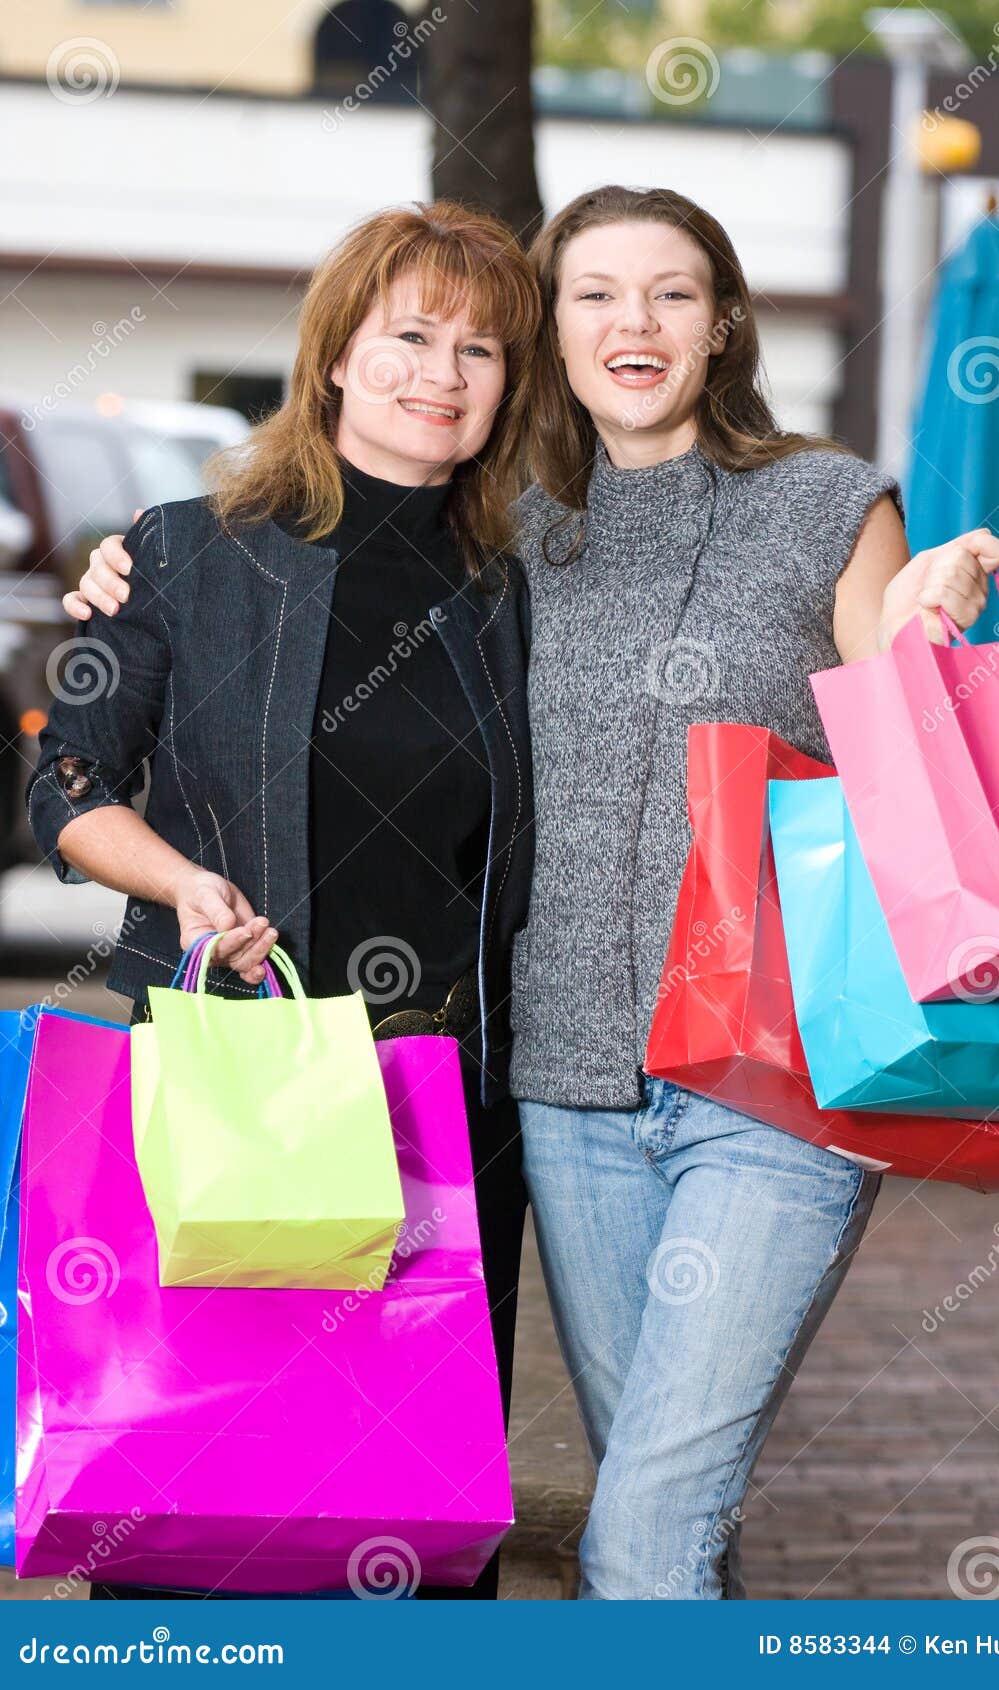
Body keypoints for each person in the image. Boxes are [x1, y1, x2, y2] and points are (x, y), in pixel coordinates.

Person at [64, 185, 999, 1602]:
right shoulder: (514, 540)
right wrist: (125, 574)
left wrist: (927, 616)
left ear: (724, 322)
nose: (635, 322)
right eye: (595, 295)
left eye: (674, 294)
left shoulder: (817, 503)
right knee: (658, 1502)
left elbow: (889, 709)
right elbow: (139, 717)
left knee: (643, 1529)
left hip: (766, 1078)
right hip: (557, 1096)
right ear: (549, 336)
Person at [32, 200, 540, 1602]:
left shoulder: (517, 584)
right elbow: (66, 789)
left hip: (436, 1111)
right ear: (334, 355)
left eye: (482, 349)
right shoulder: (188, 549)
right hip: (227, 1086)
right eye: (411, 335)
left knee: (413, 1518)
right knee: (197, 1494)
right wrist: (184, 881)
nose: (443, 372)